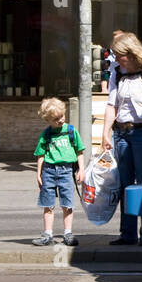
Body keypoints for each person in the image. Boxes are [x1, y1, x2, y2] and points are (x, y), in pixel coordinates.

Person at [102, 32, 142, 245]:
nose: (117, 59)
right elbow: (112, 104)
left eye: (120, 55)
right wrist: (106, 132)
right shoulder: (116, 73)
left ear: (131, 53)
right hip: (122, 133)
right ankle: (128, 234)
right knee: (125, 185)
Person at [32, 97, 85, 247]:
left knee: (67, 204)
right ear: (47, 120)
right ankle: (47, 234)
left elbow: (79, 151)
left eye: (62, 116)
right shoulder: (46, 134)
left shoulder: (70, 131)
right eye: (56, 119)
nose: (61, 120)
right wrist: (38, 174)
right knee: (47, 204)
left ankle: (68, 233)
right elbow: (41, 155)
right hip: (48, 171)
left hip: (66, 171)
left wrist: (81, 169)